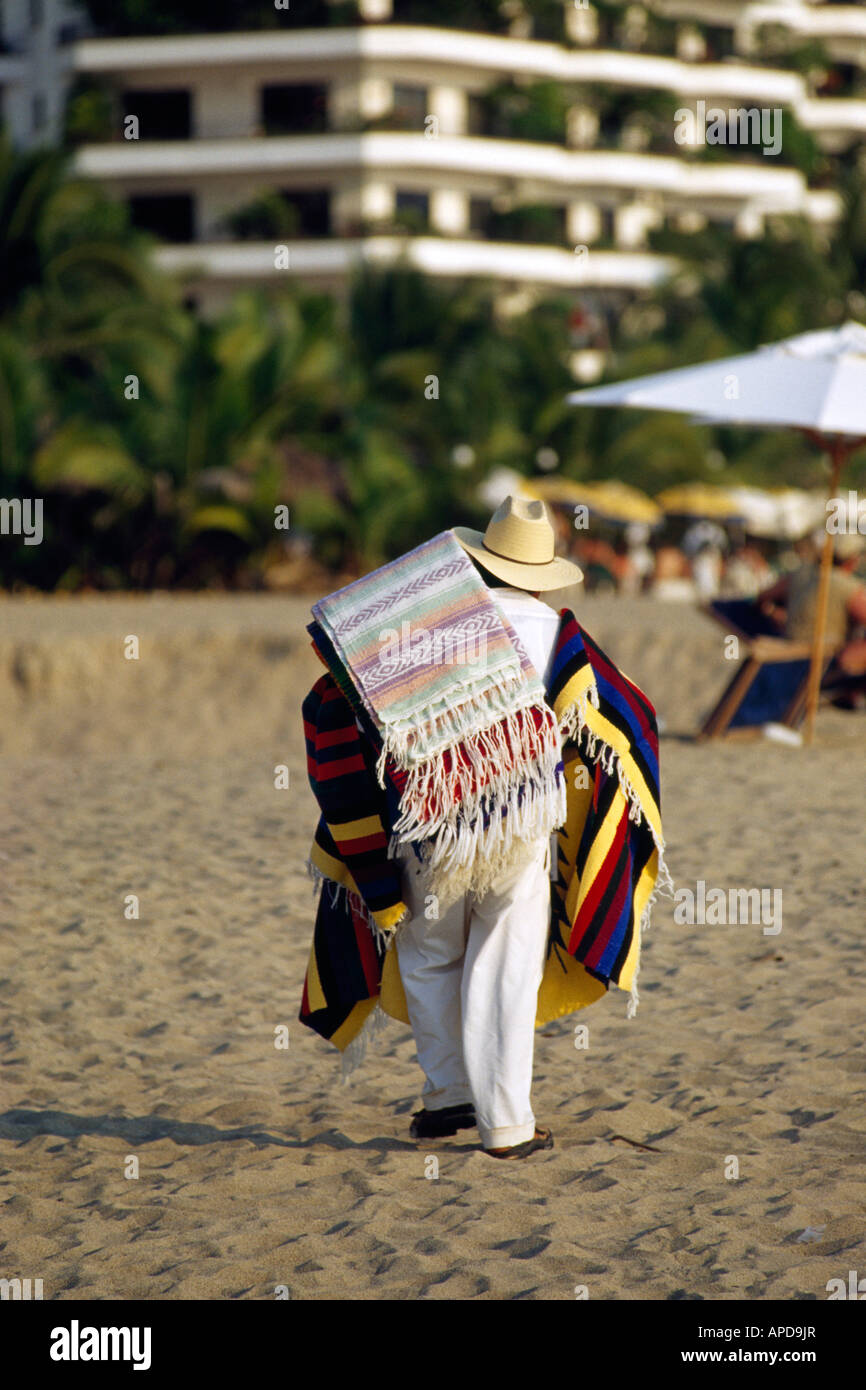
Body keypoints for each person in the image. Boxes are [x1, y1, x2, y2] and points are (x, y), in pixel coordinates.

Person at [396, 502, 574, 1158]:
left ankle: (447, 1098)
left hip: (434, 814)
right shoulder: (557, 632)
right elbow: (585, 716)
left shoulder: (433, 625)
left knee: (430, 950)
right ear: (542, 574)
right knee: (505, 958)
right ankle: (505, 1125)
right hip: (516, 816)